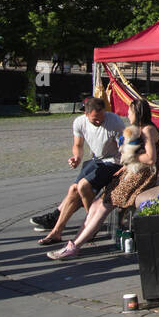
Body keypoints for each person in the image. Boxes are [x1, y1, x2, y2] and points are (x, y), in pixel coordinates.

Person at [48, 100, 159, 260]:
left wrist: (130, 157)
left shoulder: (148, 130)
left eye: (129, 111)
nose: (127, 114)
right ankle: (73, 243)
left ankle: (75, 247)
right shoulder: (139, 129)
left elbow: (151, 159)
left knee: (103, 206)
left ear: (137, 112)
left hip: (141, 176)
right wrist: (126, 164)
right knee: (95, 205)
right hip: (132, 172)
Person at [34, 96, 124, 245]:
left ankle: (91, 224)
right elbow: (78, 145)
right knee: (73, 190)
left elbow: (124, 144)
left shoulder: (114, 121)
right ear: (86, 114)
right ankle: (57, 232)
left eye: (101, 117)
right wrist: (76, 157)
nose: (98, 121)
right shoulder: (79, 122)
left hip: (114, 162)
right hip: (97, 160)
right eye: (95, 119)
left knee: (83, 186)